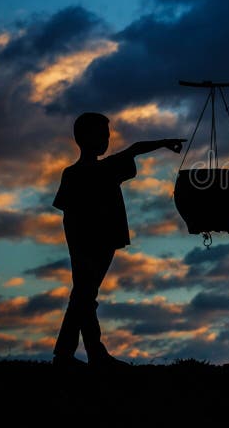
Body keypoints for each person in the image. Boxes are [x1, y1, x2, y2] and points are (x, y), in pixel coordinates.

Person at [51, 112, 185, 367]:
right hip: (92, 243)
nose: (106, 139)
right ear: (85, 138)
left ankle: (86, 353)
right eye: (102, 134)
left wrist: (163, 142)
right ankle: (71, 354)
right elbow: (69, 215)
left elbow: (134, 150)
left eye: (107, 135)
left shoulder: (90, 170)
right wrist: (164, 142)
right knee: (84, 296)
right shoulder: (90, 171)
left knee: (84, 295)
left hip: (94, 242)